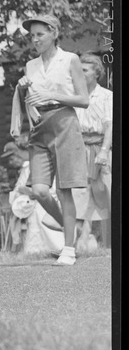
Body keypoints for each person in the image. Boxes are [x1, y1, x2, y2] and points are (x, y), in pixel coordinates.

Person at [9, 13, 89, 267]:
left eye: (40, 34)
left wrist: (51, 92)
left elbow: (84, 99)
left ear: (54, 33)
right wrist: (23, 89)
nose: (34, 39)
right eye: (32, 36)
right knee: (41, 191)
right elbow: (31, 99)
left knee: (65, 189)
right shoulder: (30, 66)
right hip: (39, 126)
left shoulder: (70, 59)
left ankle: (68, 249)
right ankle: (70, 224)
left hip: (64, 121)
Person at [72, 53, 112, 249]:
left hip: (101, 150)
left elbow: (110, 125)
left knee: (105, 195)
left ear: (96, 73)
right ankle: (81, 243)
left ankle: (110, 244)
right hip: (80, 150)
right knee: (81, 197)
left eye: (84, 70)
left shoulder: (106, 96)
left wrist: (104, 151)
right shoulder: (75, 96)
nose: (79, 73)